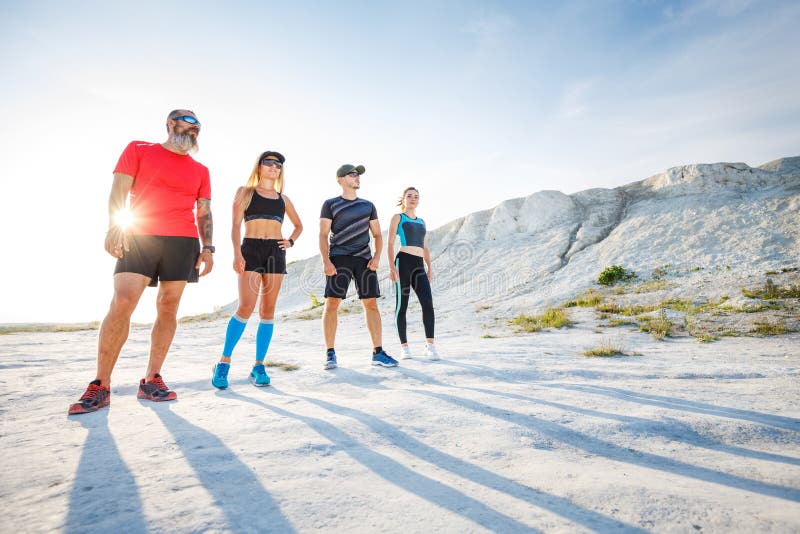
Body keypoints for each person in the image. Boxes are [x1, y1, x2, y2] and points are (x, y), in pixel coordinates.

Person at [69, 109, 214, 415]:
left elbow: (203, 211)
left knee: (169, 306)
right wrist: (114, 227)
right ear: (169, 124)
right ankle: (101, 384)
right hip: (140, 234)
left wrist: (208, 246)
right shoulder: (139, 149)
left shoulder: (201, 170)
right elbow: (118, 191)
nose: (190, 131)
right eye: (185, 124)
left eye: (196, 129)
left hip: (183, 240)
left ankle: (152, 378)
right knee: (122, 301)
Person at [211, 150, 303, 388]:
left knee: (268, 309)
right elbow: (234, 226)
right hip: (250, 249)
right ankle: (223, 362)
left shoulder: (284, 199)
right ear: (259, 166)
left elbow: (299, 225)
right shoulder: (245, 192)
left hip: (275, 252)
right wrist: (237, 254)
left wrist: (290, 241)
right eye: (269, 163)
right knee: (245, 306)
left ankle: (259, 366)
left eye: (278, 165)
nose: (274, 167)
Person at [319, 164, 398, 369]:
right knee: (332, 303)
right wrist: (326, 261)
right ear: (340, 179)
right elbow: (322, 234)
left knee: (371, 304)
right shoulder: (330, 204)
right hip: (339, 258)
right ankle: (330, 353)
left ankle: (378, 353)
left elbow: (378, 235)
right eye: (352, 174)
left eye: (358, 175)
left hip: (364, 260)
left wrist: (377, 257)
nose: (357, 177)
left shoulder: (368, 205)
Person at [387, 187, 440, 360]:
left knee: (428, 303)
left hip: (419, 266)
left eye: (416, 196)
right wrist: (391, 267)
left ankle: (430, 345)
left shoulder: (422, 222)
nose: (413, 199)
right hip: (403, 262)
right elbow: (389, 244)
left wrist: (429, 267)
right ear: (403, 199)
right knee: (402, 305)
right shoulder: (398, 218)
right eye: (409, 196)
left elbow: (425, 247)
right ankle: (404, 347)